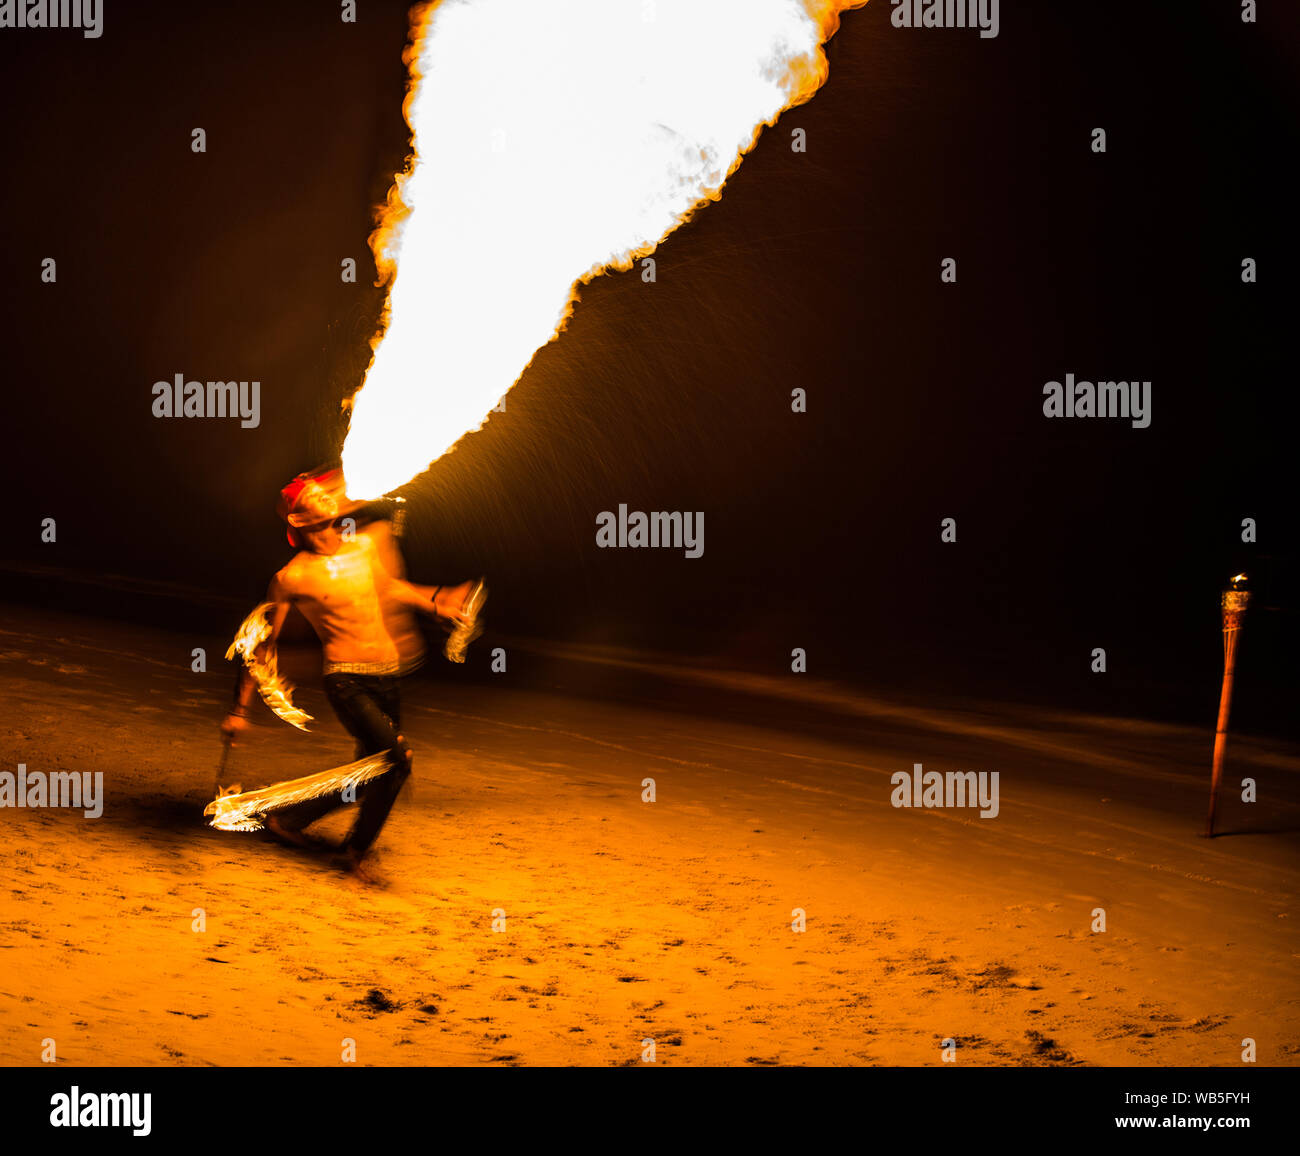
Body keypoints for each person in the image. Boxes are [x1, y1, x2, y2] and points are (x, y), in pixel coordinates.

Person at [221, 468, 477, 879]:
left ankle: (289, 821)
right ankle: (355, 853)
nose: (324, 496)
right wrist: (240, 710)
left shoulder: (365, 547)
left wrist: (436, 601)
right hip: (347, 678)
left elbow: (391, 589)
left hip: (387, 675)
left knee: (373, 770)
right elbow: (260, 642)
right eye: (312, 495)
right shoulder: (293, 577)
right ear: (298, 521)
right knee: (397, 761)